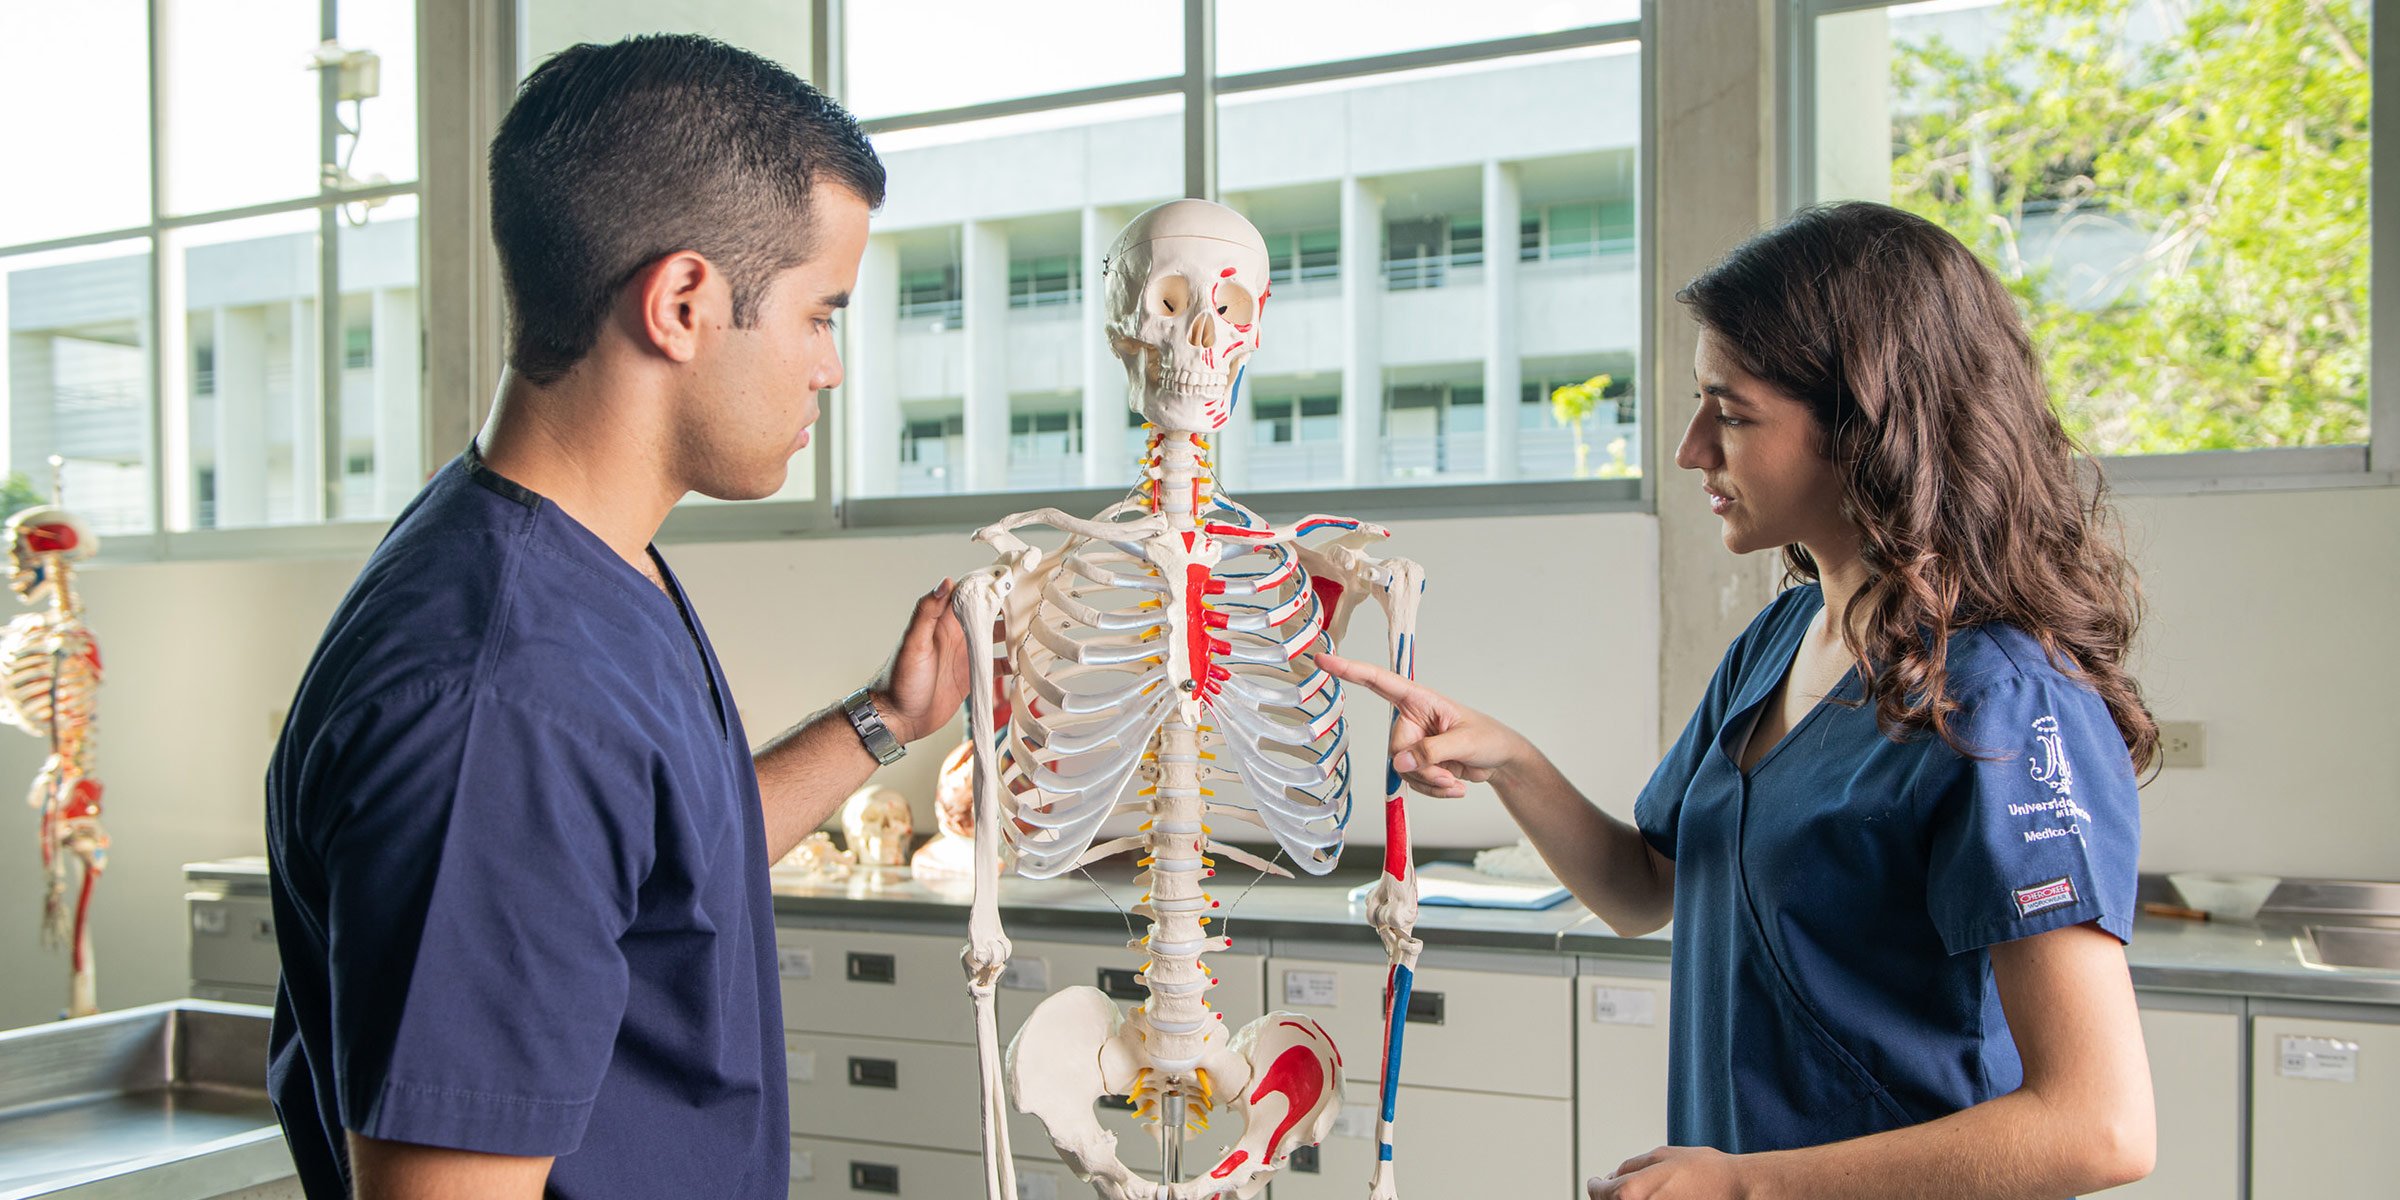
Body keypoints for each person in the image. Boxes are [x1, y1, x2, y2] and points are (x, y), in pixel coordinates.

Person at [1319, 201, 2159, 1200]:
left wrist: (1746, 1185)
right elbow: (1644, 890)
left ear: (1865, 429)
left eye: (1735, 412)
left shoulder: (2004, 699)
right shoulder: (1781, 640)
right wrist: (1509, 759)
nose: (1689, 450)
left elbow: (2098, 1126)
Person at [263, 35, 969, 1199]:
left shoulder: (576, 568)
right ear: (685, 303)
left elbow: (657, 862)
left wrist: (886, 721)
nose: (830, 369)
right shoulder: (502, 698)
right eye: (819, 316)